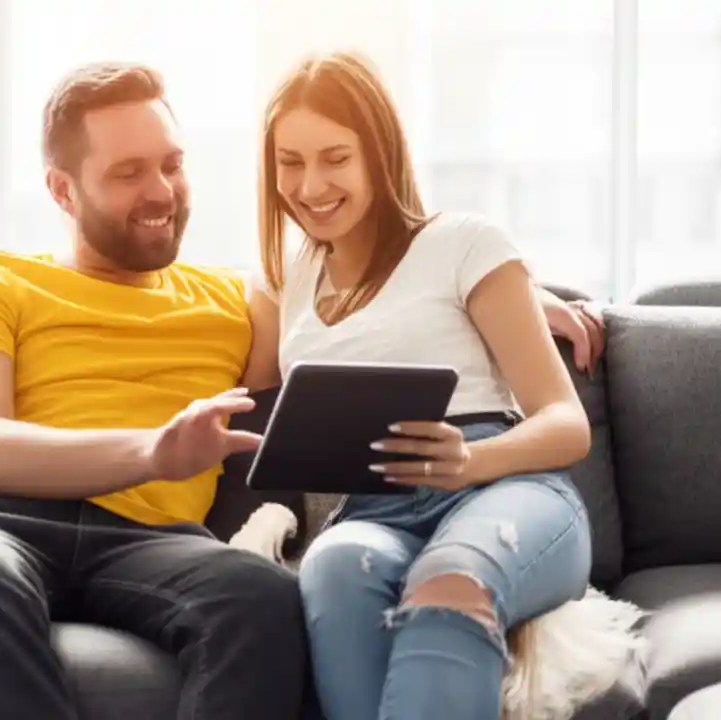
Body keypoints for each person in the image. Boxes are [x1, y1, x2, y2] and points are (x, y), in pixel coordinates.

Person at [0, 62, 308, 720]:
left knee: (261, 595)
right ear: (62, 189)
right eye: (128, 173)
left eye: (172, 164)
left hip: (151, 543)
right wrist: (152, 453)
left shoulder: (241, 301)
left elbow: (291, 422)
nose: (162, 191)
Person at [241, 51, 597, 720]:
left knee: (448, 585)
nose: (311, 185)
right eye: (290, 162)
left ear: (380, 153)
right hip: (374, 511)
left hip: (504, 489)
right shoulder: (280, 283)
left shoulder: (465, 243)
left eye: (335, 158)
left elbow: (566, 424)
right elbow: (247, 402)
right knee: (334, 567)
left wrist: (471, 461)